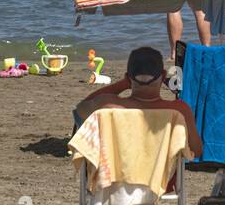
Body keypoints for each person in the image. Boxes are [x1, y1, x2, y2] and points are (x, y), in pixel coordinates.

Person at [76, 45, 204, 159]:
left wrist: (121, 85)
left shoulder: (107, 105)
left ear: (128, 78)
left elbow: (80, 110)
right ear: (163, 76)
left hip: (112, 181)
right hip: (161, 184)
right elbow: (196, 150)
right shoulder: (179, 110)